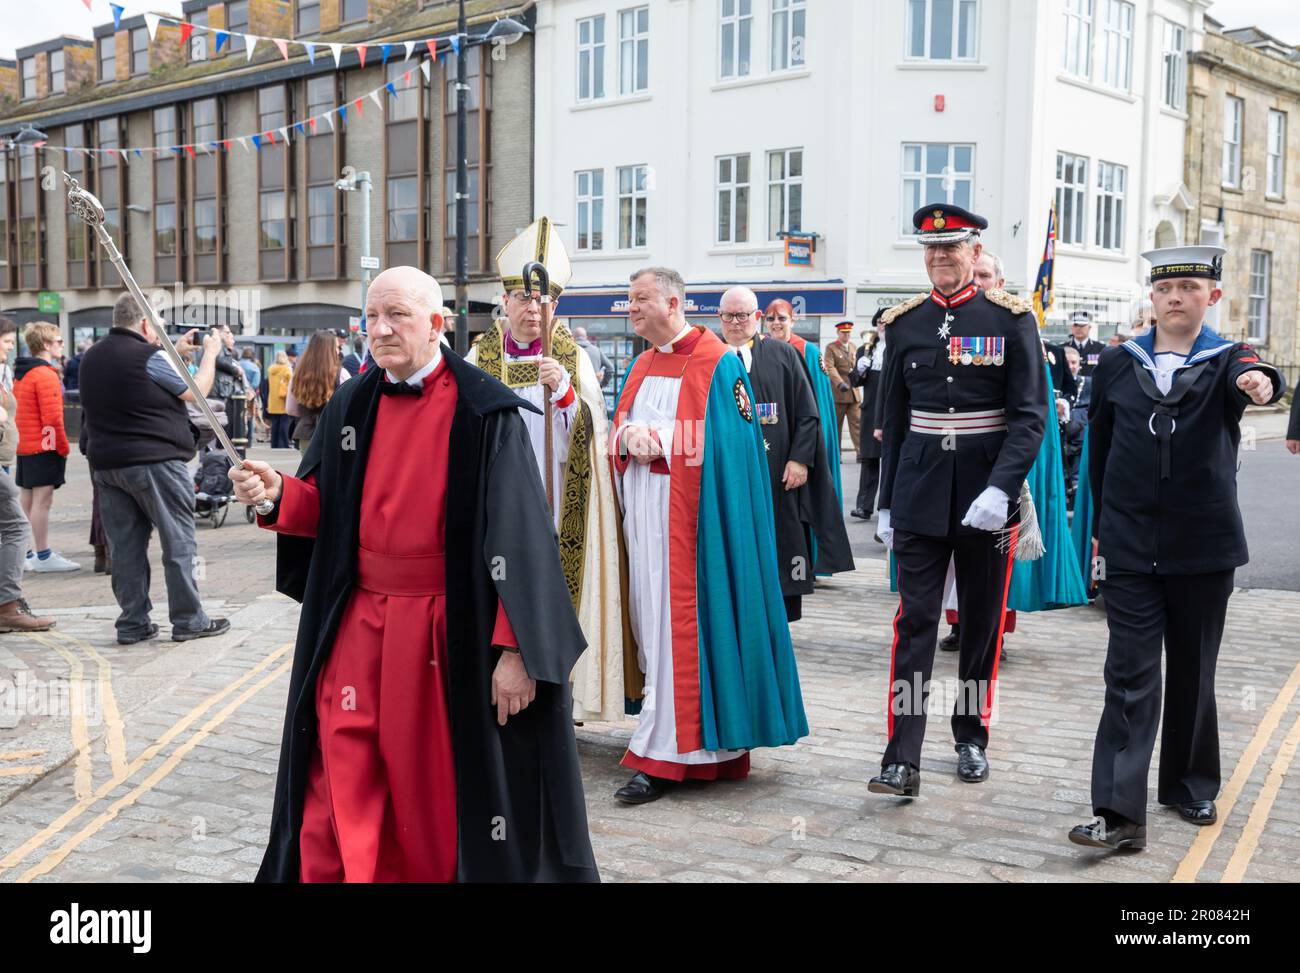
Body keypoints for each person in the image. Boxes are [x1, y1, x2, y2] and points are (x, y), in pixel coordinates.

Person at [230, 266, 598, 883]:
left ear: (437, 323)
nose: (379, 329)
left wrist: (517, 651)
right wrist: (279, 495)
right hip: (357, 621)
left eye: (396, 315)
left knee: (428, 786)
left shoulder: (486, 411)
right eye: (371, 317)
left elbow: (522, 541)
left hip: (443, 628)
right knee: (337, 759)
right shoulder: (352, 402)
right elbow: (332, 511)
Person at [1069, 246, 1286, 851]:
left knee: (1193, 670)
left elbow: (1261, 375)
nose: (1175, 297)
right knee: (1129, 674)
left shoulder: (1225, 359)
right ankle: (1117, 812)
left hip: (1203, 546)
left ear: (1210, 297)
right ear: (1151, 296)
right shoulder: (1117, 361)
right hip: (1131, 546)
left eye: (1189, 287)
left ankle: (1189, 783)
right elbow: (1102, 451)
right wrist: (1099, 527)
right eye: (1165, 289)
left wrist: (1261, 381)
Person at [609, 267, 807, 805]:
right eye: (630, 299)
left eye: (640, 299)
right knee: (653, 627)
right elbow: (619, 426)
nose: (630, 307)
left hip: (697, 528)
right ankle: (694, 746)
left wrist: (665, 439)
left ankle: (665, 755)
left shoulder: (716, 362)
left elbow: (735, 448)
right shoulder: (644, 363)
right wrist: (627, 436)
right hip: (647, 520)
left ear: (673, 302)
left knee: (685, 632)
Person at [871, 204, 1045, 798]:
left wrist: (1002, 488)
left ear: (975, 254)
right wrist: (886, 499)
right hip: (920, 491)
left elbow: (1029, 417)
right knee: (914, 621)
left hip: (987, 494)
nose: (941, 258)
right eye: (932, 250)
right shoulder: (905, 322)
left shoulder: (1012, 319)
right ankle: (902, 756)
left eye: (952, 249)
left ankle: (970, 734)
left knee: (980, 623)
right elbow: (893, 418)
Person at [467, 218, 623, 723]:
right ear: (506, 302)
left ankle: (562, 688)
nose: (534, 311)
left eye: (544, 303)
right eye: (524, 301)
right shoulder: (478, 357)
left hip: (557, 501)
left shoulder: (572, 358)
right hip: (497, 499)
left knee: (553, 581)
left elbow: (592, 435)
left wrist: (564, 393)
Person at [77, 294, 231, 644]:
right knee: (179, 542)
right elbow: (198, 391)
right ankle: (189, 620)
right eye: (157, 324)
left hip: (107, 465)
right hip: (156, 462)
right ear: (145, 323)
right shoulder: (150, 356)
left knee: (126, 547)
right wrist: (210, 353)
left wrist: (171, 351)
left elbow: (133, 384)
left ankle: (132, 622)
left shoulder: (92, 357)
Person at [718, 286, 853, 621]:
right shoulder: (711, 360)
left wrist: (799, 460)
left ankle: (782, 613)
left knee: (783, 546)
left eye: (743, 315)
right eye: (728, 316)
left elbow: (809, 414)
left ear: (757, 318)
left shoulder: (783, 355)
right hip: (729, 479)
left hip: (780, 475)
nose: (736, 322)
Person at [0, 317, 53, 633]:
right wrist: (53, 444)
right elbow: (49, 416)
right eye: (6, 342)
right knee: (18, 524)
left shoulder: (9, 372)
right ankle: (7, 605)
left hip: (9, 457)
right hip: (30, 452)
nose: (9, 348)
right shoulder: (41, 375)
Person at [765, 299, 844, 510]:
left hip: (803, 437)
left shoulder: (809, 351)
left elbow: (819, 404)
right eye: (770, 319)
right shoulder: (760, 350)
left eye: (782, 318)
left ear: (793, 321)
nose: (776, 323)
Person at [14, 323, 79, 573]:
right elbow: (52, 419)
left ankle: (26, 552)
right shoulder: (45, 375)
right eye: (59, 341)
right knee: (43, 501)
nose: (62, 345)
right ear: (46, 345)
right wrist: (61, 447)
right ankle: (43, 554)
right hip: (43, 446)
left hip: (26, 444)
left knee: (27, 500)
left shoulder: (23, 373)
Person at [849, 313, 886, 520]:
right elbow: (854, 381)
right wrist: (860, 370)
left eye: (887, 322)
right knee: (869, 460)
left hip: (892, 411)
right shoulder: (865, 350)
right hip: (871, 408)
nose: (883, 326)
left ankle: (887, 507)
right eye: (880, 322)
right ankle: (864, 506)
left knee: (891, 461)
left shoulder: (898, 347)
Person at [286, 331, 349, 452]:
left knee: (310, 471)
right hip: (336, 434)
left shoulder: (297, 375)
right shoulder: (342, 374)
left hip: (306, 434)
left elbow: (291, 410)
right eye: (337, 347)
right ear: (329, 350)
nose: (339, 351)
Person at [824, 321, 862, 458]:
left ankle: (860, 452)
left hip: (854, 393)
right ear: (838, 333)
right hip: (839, 393)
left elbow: (857, 366)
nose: (846, 335)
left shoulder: (853, 347)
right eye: (843, 333)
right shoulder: (831, 348)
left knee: (857, 424)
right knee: (836, 426)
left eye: (848, 333)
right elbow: (829, 367)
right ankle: (836, 455)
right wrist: (839, 383)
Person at [1065, 309, 1106, 378]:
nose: (1078, 328)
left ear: (1089, 327)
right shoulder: (1062, 348)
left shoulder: (1100, 348)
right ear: (1071, 327)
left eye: (1082, 325)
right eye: (1075, 325)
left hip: (1092, 387)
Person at [573, 325, 614, 391]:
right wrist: (602, 384)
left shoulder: (570, 352)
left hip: (575, 393)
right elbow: (611, 369)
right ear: (586, 337)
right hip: (594, 391)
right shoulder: (597, 350)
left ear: (573, 337)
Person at [266, 351, 293, 449]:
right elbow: (291, 386)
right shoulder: (287, 370)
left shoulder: (271, 370)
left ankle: (274, 444)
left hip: (273, 401)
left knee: (275, 424)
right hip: (284, 401)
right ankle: (283, 444)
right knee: (284, 424)